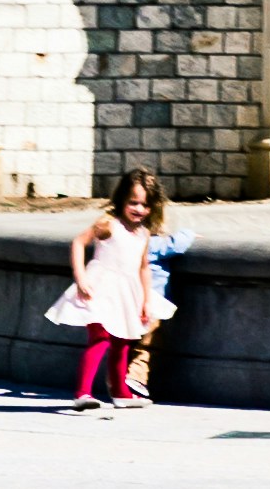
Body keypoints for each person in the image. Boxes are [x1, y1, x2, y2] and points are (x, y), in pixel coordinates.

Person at [57, 166, 170, 412]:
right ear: (122, 199)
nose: (139, 209)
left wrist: (146, 300)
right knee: (100, 338)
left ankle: (120, 392)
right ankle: (83, 392)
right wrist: (81, 277)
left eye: (146, 205)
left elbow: (143, 267)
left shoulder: (143, 233)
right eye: (134, 203)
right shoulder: (109, 224)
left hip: (127, 292)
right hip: (100, 289)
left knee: (123, 341)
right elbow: (78, 242)